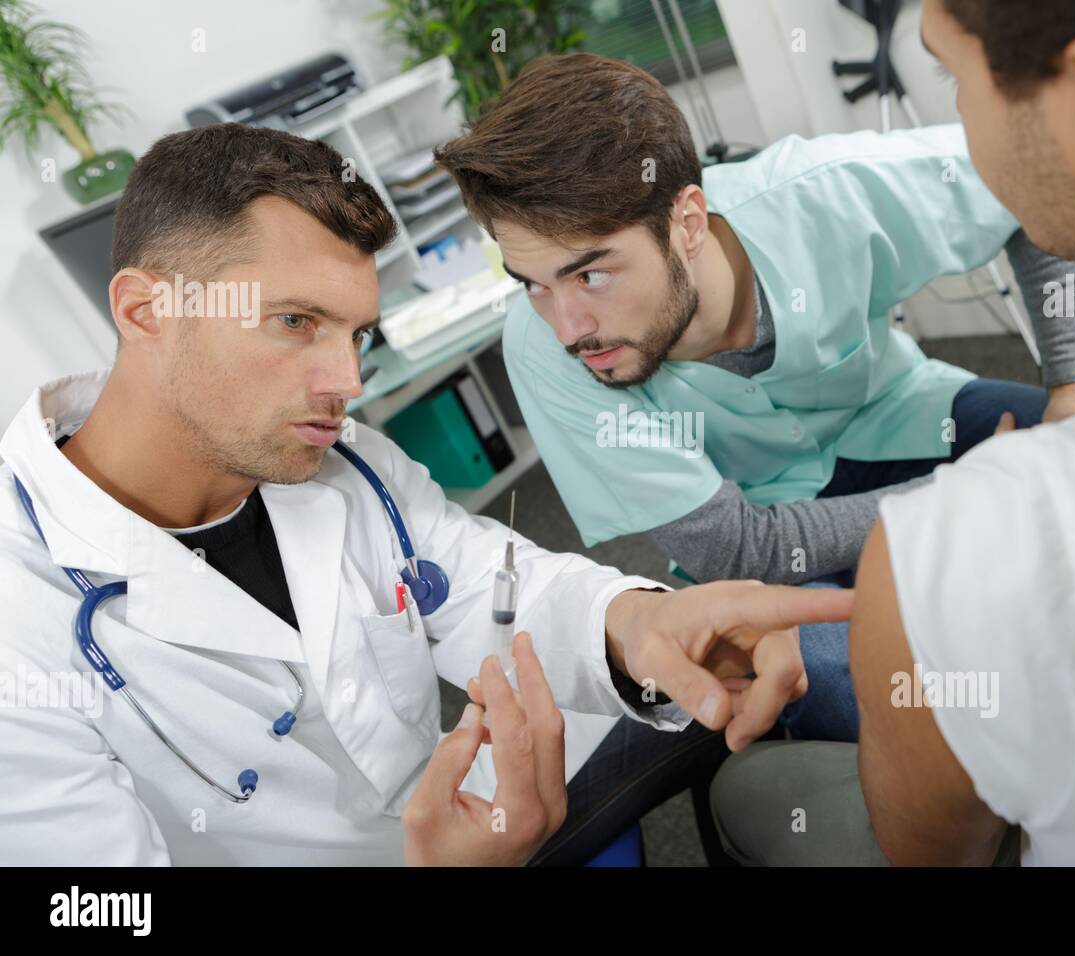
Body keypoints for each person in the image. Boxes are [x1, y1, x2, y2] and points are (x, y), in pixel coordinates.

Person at [0, 123, 854, 866]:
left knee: (728, 678)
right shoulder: (19, 629)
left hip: (470, 813)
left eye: (356, 336)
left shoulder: (341, 465)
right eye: (296, 322)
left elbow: (484, 579)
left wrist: (634, 624)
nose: (346, 382)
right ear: (146, 312)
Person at [710, 0, 1075, 866]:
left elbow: (934, 855)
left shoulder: (959, 551)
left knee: (751, 786)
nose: (959, 121)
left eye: (954, 76)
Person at [434, 52, 1075, 743]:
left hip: (904, 420)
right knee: (836, 679)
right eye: (533, 284)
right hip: (762, 542)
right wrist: (961, 499)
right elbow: (737, 548)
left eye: (592, 275)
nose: (568, 327)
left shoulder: (830, 194)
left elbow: (1034, 178)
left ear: (687, 223)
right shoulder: (541, 348)